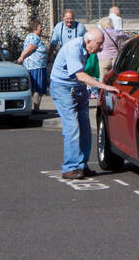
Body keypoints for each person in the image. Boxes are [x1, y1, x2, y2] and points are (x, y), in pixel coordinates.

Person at [48, 26, 118, 180]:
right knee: (72, 127)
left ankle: (81, 165)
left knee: (85, 127)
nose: (101, 48)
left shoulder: (88, 49)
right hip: (63, 88)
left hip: (78, 88)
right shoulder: (73, 48)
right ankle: (70, 168)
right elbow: (80, 75)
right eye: (99, 44)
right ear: (88, 41)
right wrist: (104, 86)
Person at [15, 19, 48, 111]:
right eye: (40, 27)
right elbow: (30, 47)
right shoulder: (34, 37)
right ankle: (36, 108)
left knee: (37, 87)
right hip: (35, 66)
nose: (42, 29)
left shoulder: (31, 36)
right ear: (35, 28)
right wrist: (21, 57)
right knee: (37, 87)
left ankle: (36, 107)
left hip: (37, 66)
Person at [96, 16, 127, 81]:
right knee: (115, 78)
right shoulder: (115, 32)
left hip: (103, 58)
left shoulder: (101, 33)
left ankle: (103, 87)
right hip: (115, 57)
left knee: (103, 78)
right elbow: (126, 36)